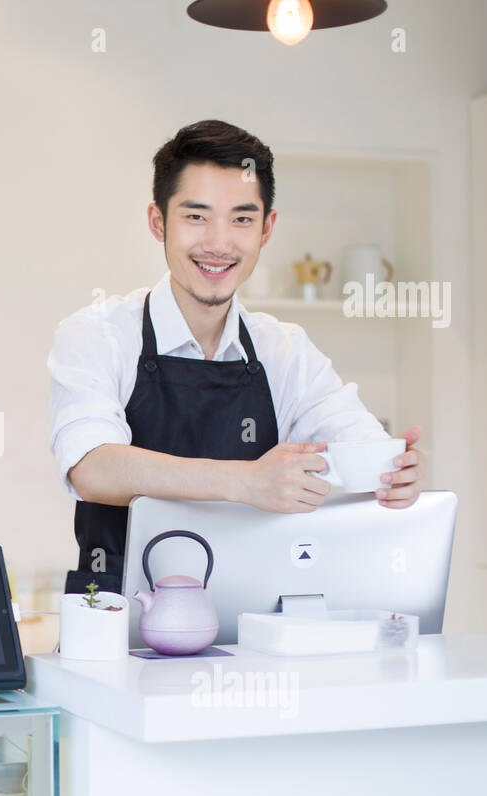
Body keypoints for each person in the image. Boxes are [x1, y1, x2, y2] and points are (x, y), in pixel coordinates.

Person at [48, 119, 427, 595]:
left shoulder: (285, 350)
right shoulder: (97, 334)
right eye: (196, 216)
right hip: (115, 633)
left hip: (246, 635)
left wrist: (393, 473)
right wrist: (245, 481)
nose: (219, 243)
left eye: (242, 219)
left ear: (267, 229)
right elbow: (94, 469)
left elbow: (356, 446)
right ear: (157, 221)